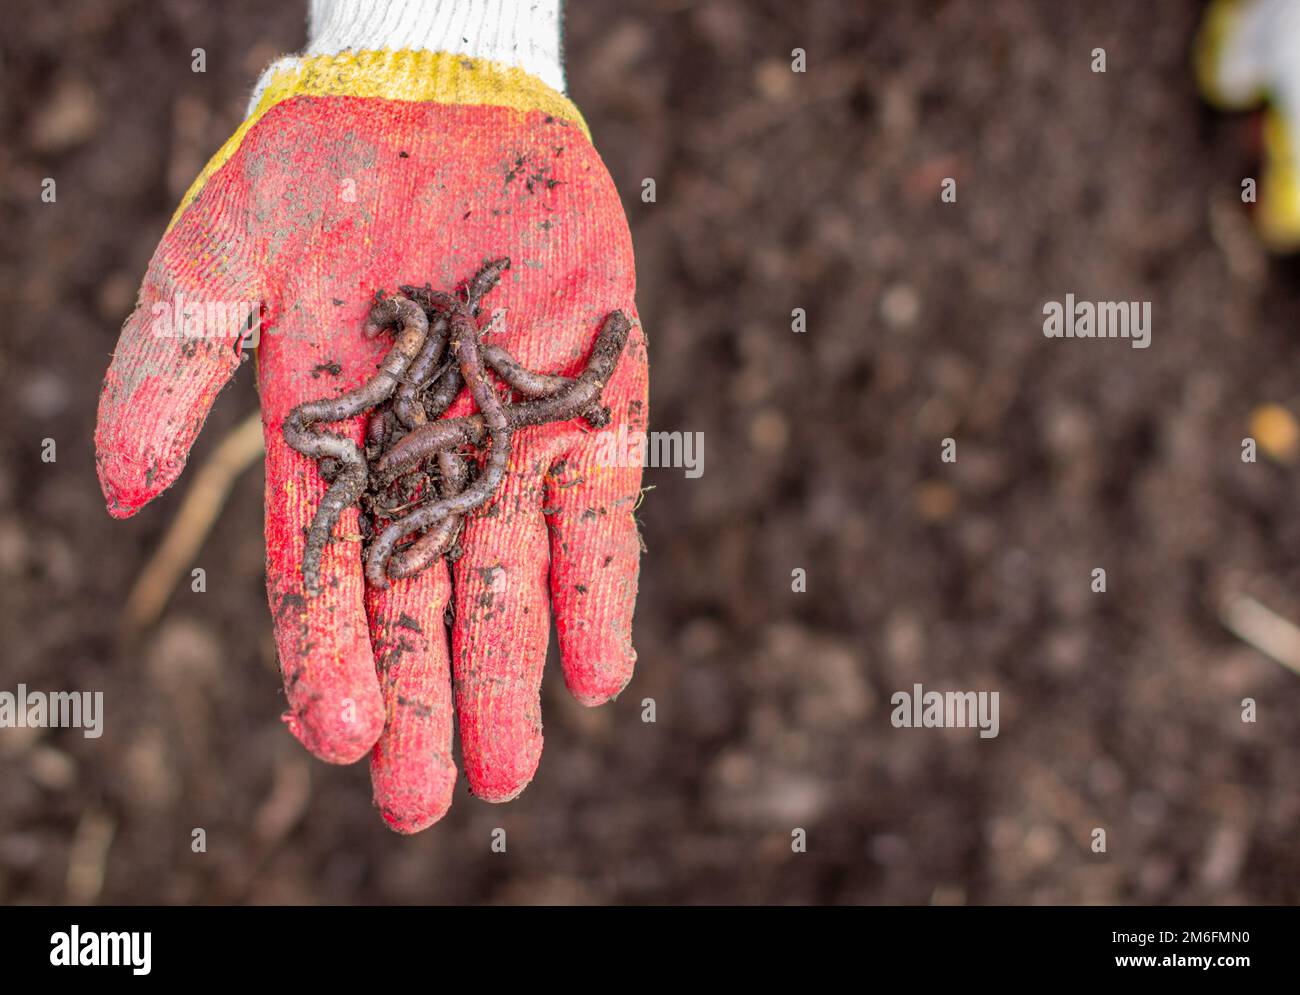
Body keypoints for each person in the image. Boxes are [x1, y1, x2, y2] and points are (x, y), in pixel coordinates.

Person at [94, 0, 649, 833]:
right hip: (433, 437)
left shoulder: (441, 404)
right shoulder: (427, 398)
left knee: (466, 453)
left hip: (440, 436)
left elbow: (462, 421)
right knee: (462, 458)